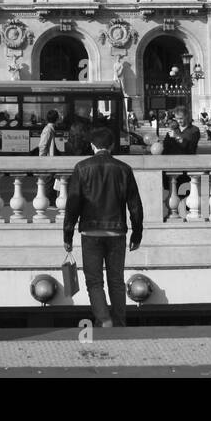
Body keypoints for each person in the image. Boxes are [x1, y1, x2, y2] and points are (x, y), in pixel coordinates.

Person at [63, 127, 143, 327]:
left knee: (94, 281)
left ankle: (104, 320)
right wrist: (137, 233)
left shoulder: (81, 167)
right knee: (116, 280)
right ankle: (119, 321)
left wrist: (68, 235)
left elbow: (73, 205)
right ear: (112, 146)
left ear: (92, 145)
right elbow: (134, 205)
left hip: (90, 232)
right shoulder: (124, 168)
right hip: (117, 231)